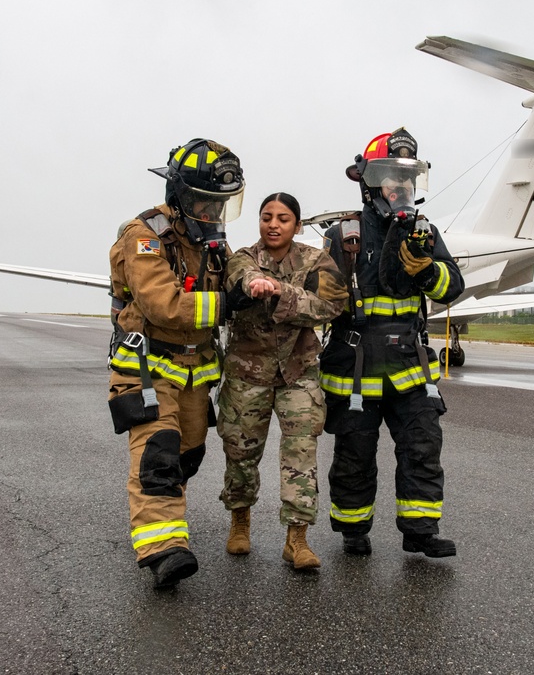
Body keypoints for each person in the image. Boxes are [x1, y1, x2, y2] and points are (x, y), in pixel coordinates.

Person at [107, 138, 252, 588]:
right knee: (158, 456)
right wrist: (229, 304)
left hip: (193, 372)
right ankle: (163, 551)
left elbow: (235, 276)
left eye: (220, 204)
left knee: (187, 456)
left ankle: (169, 528)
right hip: (148, 368)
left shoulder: (211, 242)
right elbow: (163, 305)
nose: (212, 212)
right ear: (178, 195)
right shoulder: (143, 235)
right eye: (203, 202)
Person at [319, 128, 464, 558]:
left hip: (409, 363)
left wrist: (424, 270)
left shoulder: (424, 231)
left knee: (422, 447)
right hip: (355, 366)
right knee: (354, 456)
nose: (399, 186)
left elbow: (451, 286)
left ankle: (421, 531)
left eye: (406, 178)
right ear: (368, 181)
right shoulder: (342, 235)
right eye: (390, 176)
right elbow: (322, 298)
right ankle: (352, 529)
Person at [217, 192, 348, 570]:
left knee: (301, 455)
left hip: (298, 374)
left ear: (297, 225)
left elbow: (330, 305)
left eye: (283, 218)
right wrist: (256, 282)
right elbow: (241, 277)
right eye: (266, 217)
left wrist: (282, 291)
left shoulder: (316, 260)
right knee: (240, 453)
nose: (273, 224)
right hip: (247, 373)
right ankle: (240, 522)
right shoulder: (243, 257)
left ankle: (297, 539)